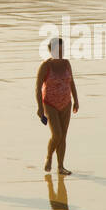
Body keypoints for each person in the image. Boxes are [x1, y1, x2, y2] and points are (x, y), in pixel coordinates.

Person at [36, 37, 79, 175]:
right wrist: (40, 108)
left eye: (63, 50)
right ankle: (49, 157)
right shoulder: (45, 66)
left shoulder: (66, 63)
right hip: (49, 104)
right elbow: (37, 88)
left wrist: (76, 100)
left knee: (63, 136)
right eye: (58, 51)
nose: (61, 53)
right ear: (51, 51)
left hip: (66, 102)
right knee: (57, 135)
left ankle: (61, 166)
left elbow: (71, 82)